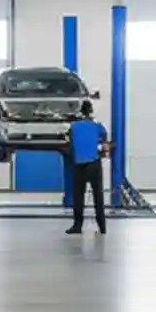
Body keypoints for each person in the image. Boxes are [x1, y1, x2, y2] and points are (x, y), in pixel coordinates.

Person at [66, 100, 108, 235]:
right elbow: (104, 137)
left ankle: (77, 226)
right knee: (98, 196)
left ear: (80, 111)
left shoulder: (74, 126)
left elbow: (70, 140)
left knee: (78, 196)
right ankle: (102, 226)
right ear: (91, 111)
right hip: (94, 163)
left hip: (79, 164)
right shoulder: (97, 126)